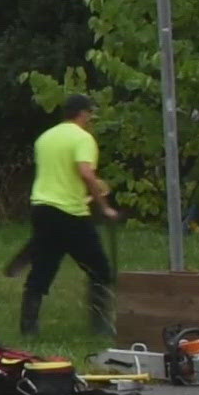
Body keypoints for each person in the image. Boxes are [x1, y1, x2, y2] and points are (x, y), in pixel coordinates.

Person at [13, 94, 118, 337]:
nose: (91, 119)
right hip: (70, 212)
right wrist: (104, 207)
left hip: (41, 208)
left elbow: (57, 172)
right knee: (100, 269)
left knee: (42, 268)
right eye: (90, 114)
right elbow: (85, 172)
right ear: (83, 113)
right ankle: (100, 326)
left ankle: (29, 327)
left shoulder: (45, 138)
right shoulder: (83, 138)